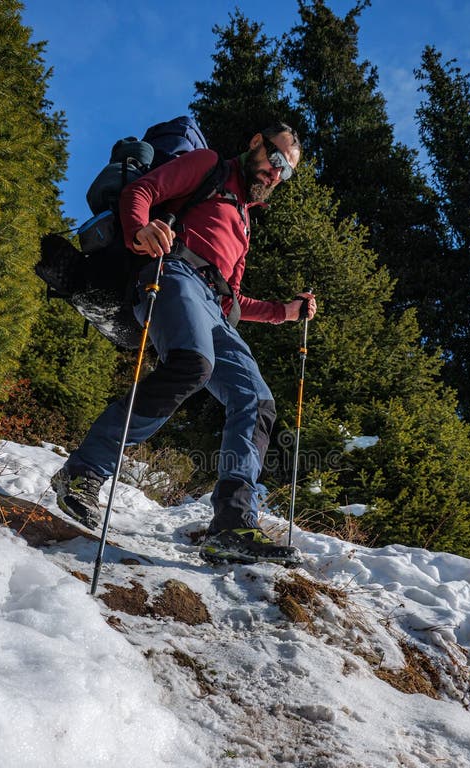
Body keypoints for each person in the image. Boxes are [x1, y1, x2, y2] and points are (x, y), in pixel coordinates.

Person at [51, 122, 316, 566]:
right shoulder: (209, 165)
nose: (276, 175)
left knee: (257, 401)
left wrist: (284, 312)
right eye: (275, 161)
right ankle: (84, 471)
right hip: (172, 275)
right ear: (255, 141)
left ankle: (232, 525)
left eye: (285, 173)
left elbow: (233, 299)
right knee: (192, 365)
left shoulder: (244, 223)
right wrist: (140, 230)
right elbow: (140, 193)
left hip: (214, 307)